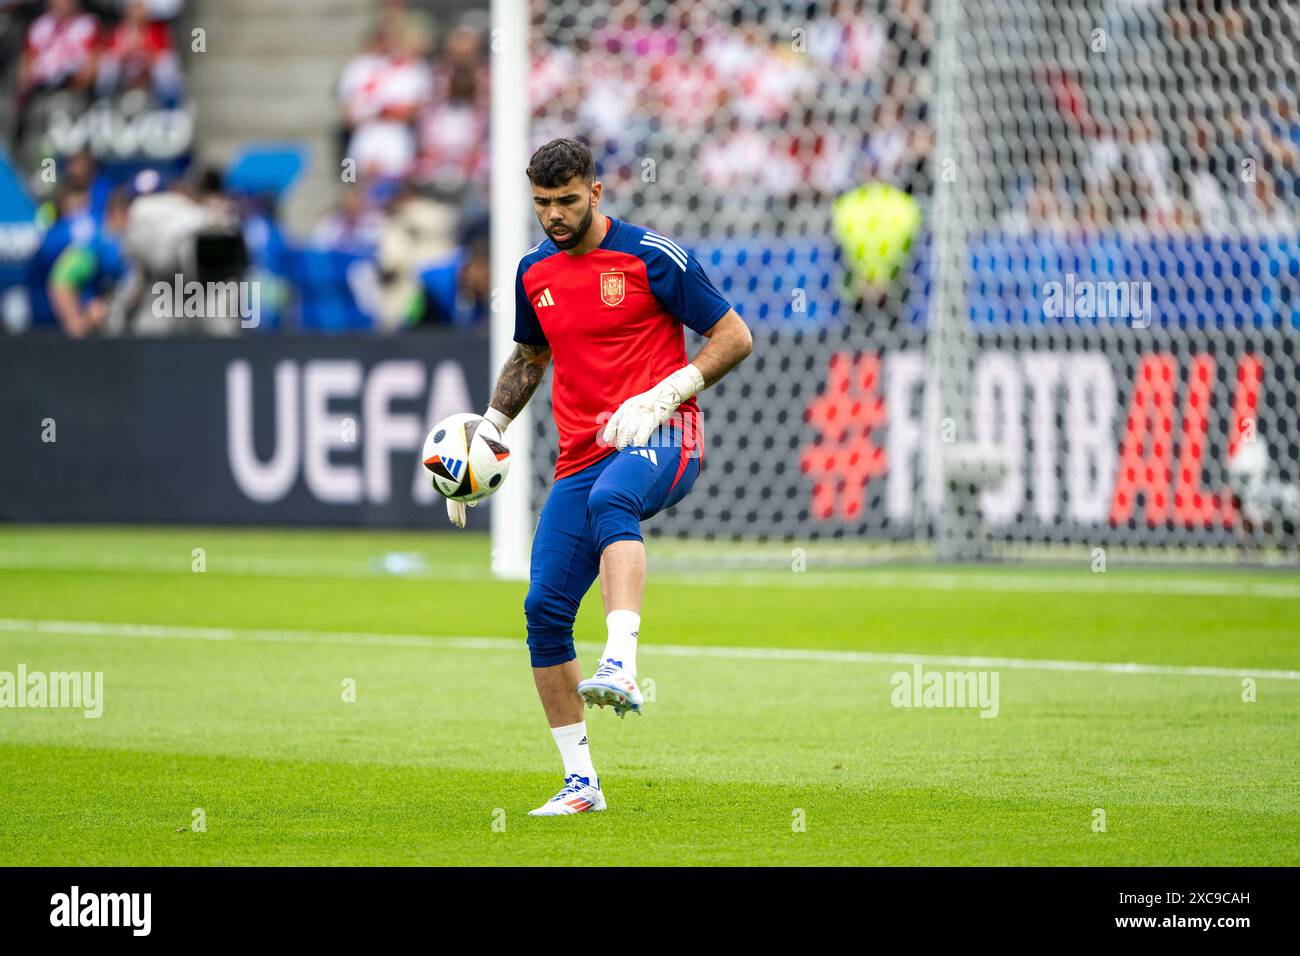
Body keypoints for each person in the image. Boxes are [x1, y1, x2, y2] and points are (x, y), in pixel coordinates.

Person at [446, 138, 752, 815]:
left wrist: (665, 394)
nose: (554, 215)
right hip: (581, 454)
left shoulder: (653, 257)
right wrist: (487, 432)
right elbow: (531, 357)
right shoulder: (533, 272)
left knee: (617, 499)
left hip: (666, 432)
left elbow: (734, 335)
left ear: (597, 192)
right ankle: (581, 783)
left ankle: (620, 661)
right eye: (542, 204)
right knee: (543, 612)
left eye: (567, 201)